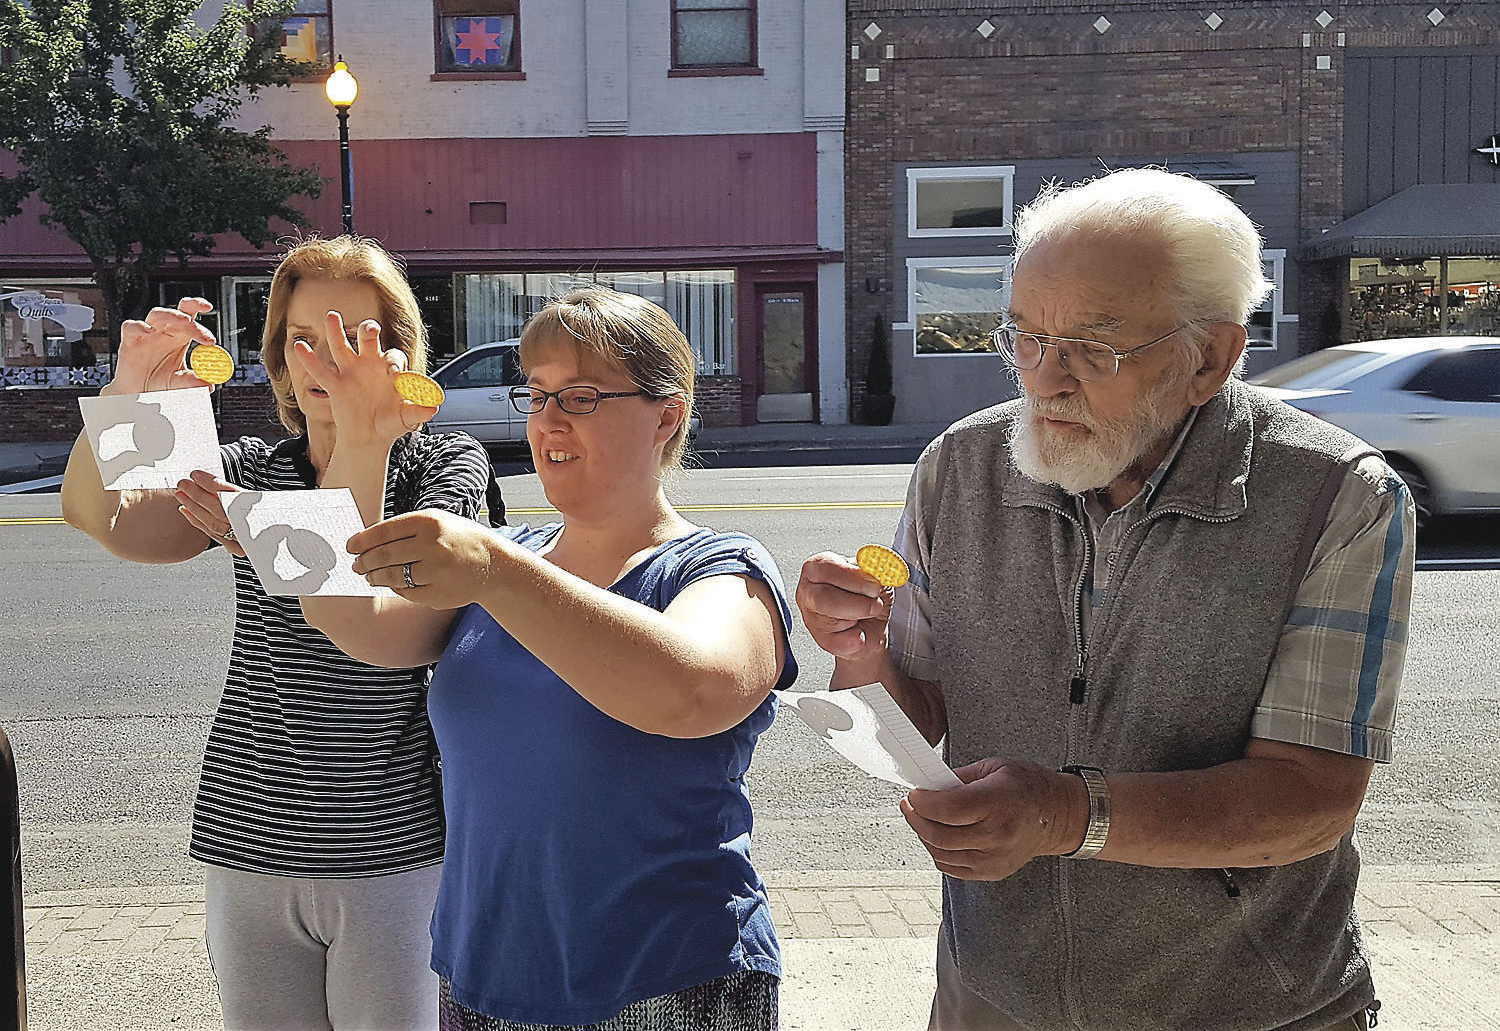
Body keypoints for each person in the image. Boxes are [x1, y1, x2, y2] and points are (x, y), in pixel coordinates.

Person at [796, 169, 1414, 1031]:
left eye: (1095, 347)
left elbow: (1310, 799)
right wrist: (857, 652)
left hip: (1248, 1006)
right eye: (1025, 336)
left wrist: (1064, 813)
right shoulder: (959, 468)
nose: (1044, 380)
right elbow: (914, 719)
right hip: (993, 996)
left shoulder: (1334, 496)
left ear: (1210, 357)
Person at [301, 286, 797, 1031]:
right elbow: (349, 619)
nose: (548, 419)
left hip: (663, 984)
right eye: (536, 395)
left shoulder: (719, 567)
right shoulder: (510, 560)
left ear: (667, 417)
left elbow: (693, 692)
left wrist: (497, 570)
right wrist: (360, 440)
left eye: (583, 396)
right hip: (481, 975)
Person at [61, 235, 502, 1031]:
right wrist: (132, 390)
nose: (322, 361)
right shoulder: (257, 467)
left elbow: (390, 627)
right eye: (303, 339)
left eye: (349, 338)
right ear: (276, 358)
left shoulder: (445, 464)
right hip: (248, 832)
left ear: (400, 354)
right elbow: (111, 522)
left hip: (392, 845)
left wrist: (273, 529)